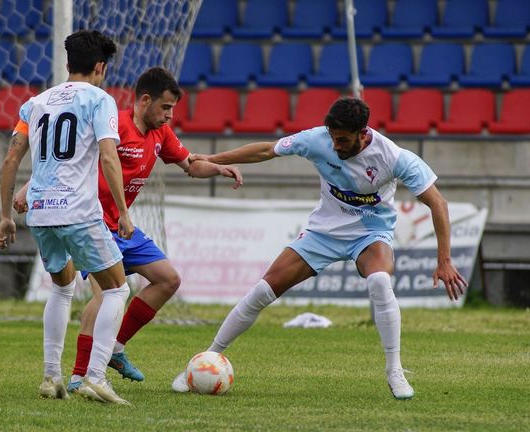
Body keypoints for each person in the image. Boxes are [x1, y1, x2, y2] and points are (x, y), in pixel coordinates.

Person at [170, 97, 467, 400]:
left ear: (363, 133)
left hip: (370, 232)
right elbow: (265, 150)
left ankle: (395, 370)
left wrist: (444, 261)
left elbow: (438, 204)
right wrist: (213, 158)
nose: (335, 146)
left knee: (380, 281)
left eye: (343, 140)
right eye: (333, 138)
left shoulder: (394, 157)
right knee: (262, 291)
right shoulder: (317, 139)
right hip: (323, 232)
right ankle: (205, 361)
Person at [13, 67, 243, 392]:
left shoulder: (161, 135)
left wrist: (219, 169)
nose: (169, 115)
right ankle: (80, 375)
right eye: (165, 107)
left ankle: (114, 348)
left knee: (168, 279)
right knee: (104, 295)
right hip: (91, 221)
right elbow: (67, 159)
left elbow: (190, 164)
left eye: (172, 109)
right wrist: (29, 186)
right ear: (145, 100)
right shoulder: (114, 123)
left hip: (123, 228)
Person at [0, 30, 134, 405]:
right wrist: (122, 212)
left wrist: (6, 216)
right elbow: (108, 157)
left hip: (39, 211)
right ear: (100, 67)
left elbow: (11, 159)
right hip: (77, 210)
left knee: (61, 286)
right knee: (118, 288)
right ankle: (96, 376)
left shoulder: (35, 103)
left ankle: (51, 377)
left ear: (68, 63)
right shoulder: (100, 100)